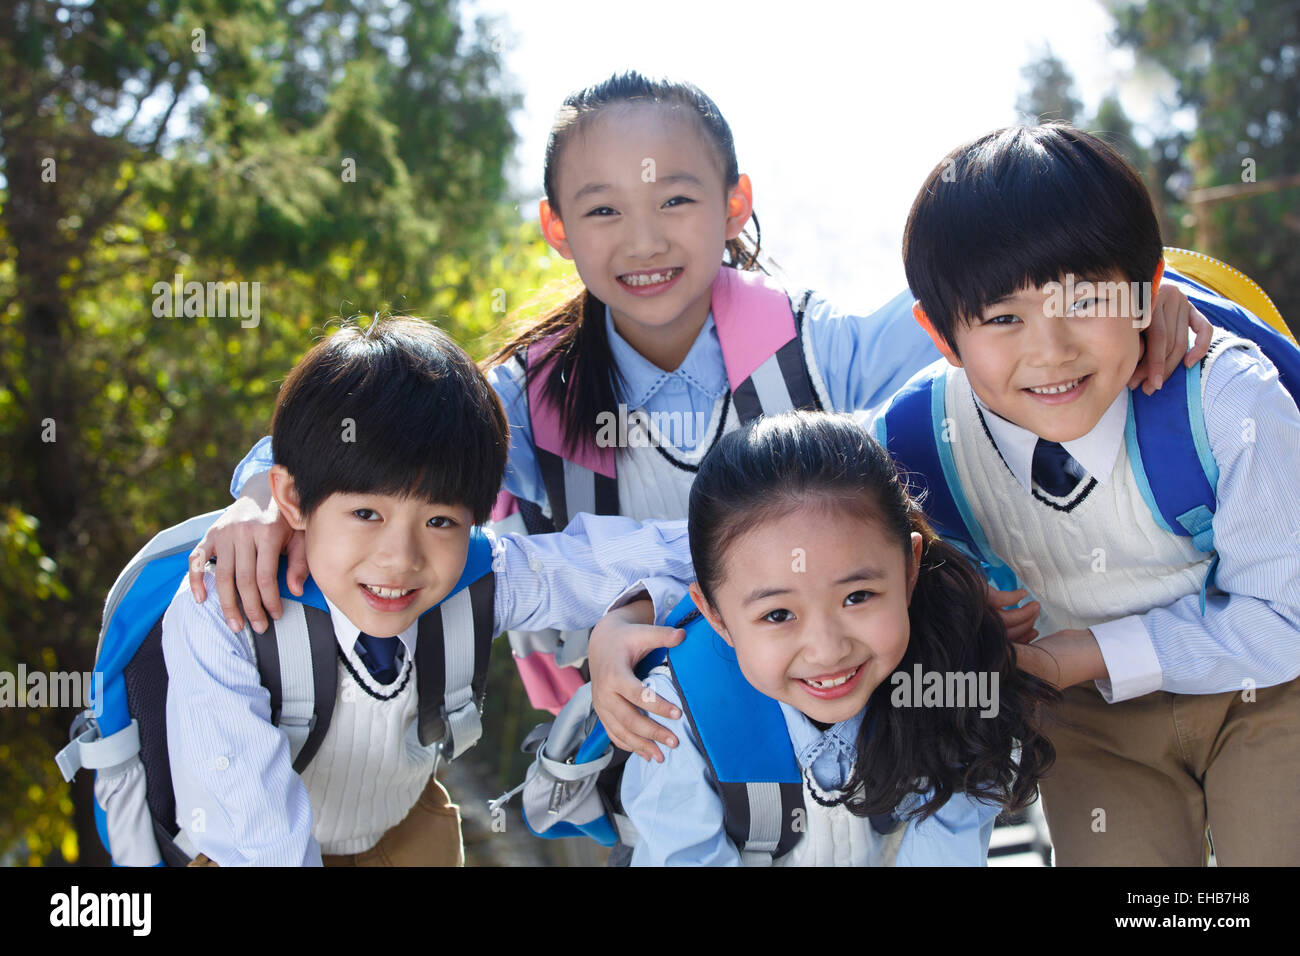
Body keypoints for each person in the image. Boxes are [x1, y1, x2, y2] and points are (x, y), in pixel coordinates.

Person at [190, 72, 1211, 760]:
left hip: (836, 716)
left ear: (734, 204)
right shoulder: (523, 392)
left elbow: (1008, 304)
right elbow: (363, 431)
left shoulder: (821, 350)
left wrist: (1157, 300)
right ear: (554, 228)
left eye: (677, 200)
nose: (644, 238)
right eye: (600, 209)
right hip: (636, 733)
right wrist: (252, 498)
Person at [885, 123, 1300, 865]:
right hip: (1087, 720)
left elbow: (1289, 616)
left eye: (1084, 302)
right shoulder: (914, 442)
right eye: (1003, 317)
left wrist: (1098, 651)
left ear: (1149, 290)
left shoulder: (1224, 401)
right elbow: (774, 522)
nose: (1051, 350)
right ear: (940, 332)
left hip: (1267, 683)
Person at [163, 317, 693, 865]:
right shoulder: (223, 611)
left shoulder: (485, 576)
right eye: (366, 513)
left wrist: (625, 618)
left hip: (407, 832)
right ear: (292, 499)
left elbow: (678, 552)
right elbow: (260, 834)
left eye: (440, 521)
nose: (401, 558)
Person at [602, 411, 1056, 865]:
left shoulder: (952, 673)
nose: (827, 649)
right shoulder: (675, 714)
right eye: (778, 614)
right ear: (715, 617)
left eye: (858, 597)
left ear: (910, 568)